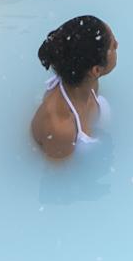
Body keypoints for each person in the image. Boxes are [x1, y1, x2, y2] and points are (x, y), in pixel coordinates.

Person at [31, 15, 117, 160]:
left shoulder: (88, 82)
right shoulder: (60, 130)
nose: (117, 45)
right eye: (113, 46)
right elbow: (58, 176)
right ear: (96, 70)